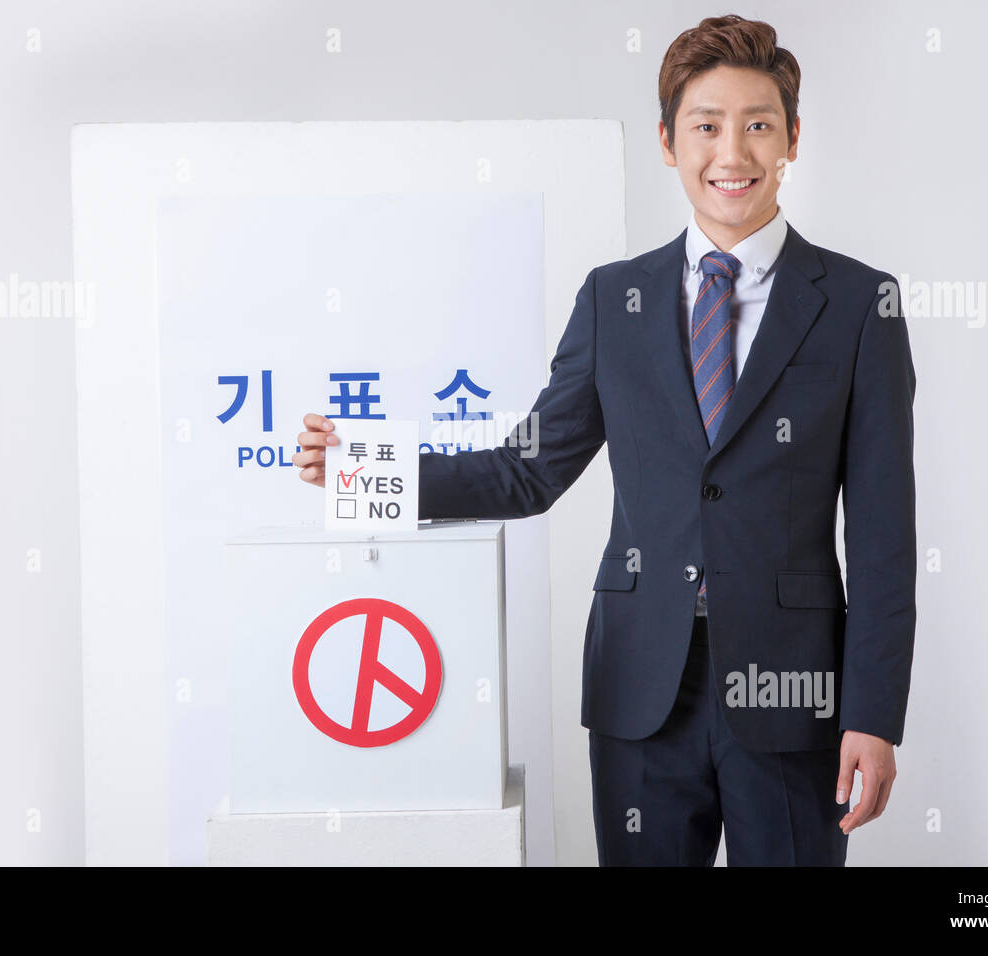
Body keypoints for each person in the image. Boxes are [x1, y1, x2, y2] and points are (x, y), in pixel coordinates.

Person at [293, 14, 916, 866]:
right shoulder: (613, 300)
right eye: (705, 125)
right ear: (668, 142)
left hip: (794, 696)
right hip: (639, 688)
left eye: (757, 124)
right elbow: (528, 472)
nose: (730, 152)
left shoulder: (857, 305)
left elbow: (884, 537)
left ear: (792, 140)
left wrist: (874, 714)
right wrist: (361, 473)